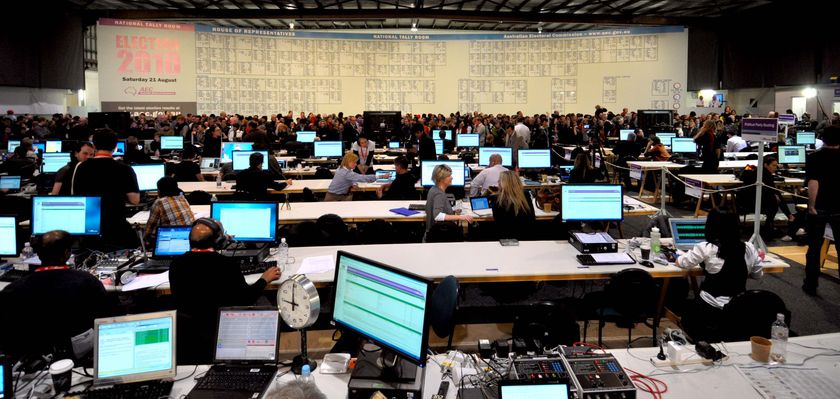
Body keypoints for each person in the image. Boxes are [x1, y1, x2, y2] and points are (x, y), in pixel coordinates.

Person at [168, 218, 281, 364]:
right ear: (219, 242)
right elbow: (246, 298)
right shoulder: (226, 265)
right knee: (264, 302)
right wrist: (264, 279)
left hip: (190, 333)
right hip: (222, 327)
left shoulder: (176, 264)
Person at [0, 230, 112, 361]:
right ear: (67, 253)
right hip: (80, 358)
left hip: (32, 362)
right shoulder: (87, 282)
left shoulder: (13, 289)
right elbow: (106, 320)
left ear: (38, 255)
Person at [675, 209, 763, 343]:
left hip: (709, 308)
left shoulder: (706, 248)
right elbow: (757, 275)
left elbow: (682, 262)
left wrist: (677, 255)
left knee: (685, 308)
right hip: (738, 308)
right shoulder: (749, 248)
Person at [71, 129, 141, 249]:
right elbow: (135, 200)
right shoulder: (125, 169)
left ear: (94, 146)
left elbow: (76, 197)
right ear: (115, 147)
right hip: (116, 225)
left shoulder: (81, 167)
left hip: (90, 227)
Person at [803, 126, 840, 296]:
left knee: (814, 248)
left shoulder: (814, 157)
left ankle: (811, 284)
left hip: (821, 207)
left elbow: (813, 183)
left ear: (823, 139)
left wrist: (811, 205)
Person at [739, 156, 794, 241]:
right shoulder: (766, 175)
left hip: (747, 201)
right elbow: (774, 191)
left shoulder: (758, 172)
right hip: (752, 202)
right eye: (773, 165)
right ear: (766, 165)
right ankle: (771, 227)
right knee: (775, 201)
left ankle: (781, 220)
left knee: (776, 197)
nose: (776, 168)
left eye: (776, 166)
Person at [424, 164, 473, 239]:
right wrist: (461, 217)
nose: (451, 177)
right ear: (441, 179)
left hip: (433, 232)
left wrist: (452, 209)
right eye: (449, 176)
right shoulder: (439, 194)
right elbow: (437, 216)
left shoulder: (433, 189)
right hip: (439, 234)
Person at [144, 177, 196, 244]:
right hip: (189, 239)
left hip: (172, 239)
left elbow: (149, 232)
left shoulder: (159, 202)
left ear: (159, 190)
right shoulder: (182, 198)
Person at [492, 171, 536, 240]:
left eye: (499, 180)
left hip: (505, 238)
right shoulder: (525, 195)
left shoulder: (496, 198)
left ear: (502, 183)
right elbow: (532, 217)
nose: (498, 182)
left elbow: (497, 222)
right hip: (526, 237)